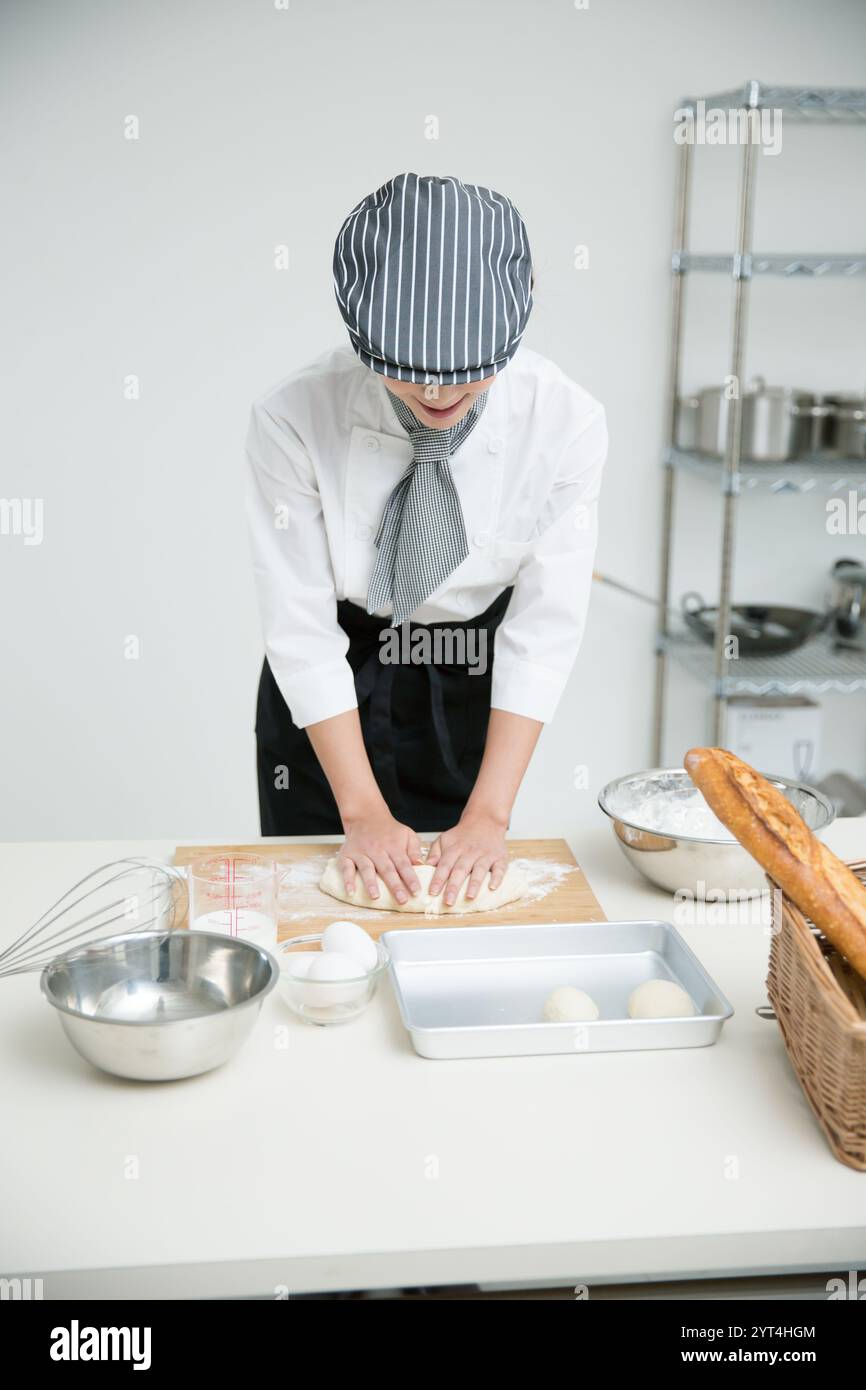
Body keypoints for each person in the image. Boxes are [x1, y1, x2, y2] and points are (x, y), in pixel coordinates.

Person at [245, 172, 607, 909]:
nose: (440, 395)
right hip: (334, 679)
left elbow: (543, 631)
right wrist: (362, 812)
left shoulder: (566, 423)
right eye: (411, 379)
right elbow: (299, 627)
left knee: (456, 903)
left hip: (471, 671)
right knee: (321, 916)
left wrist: (490, 815)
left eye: (467, 381)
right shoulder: (290, 418)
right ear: (359, 331)